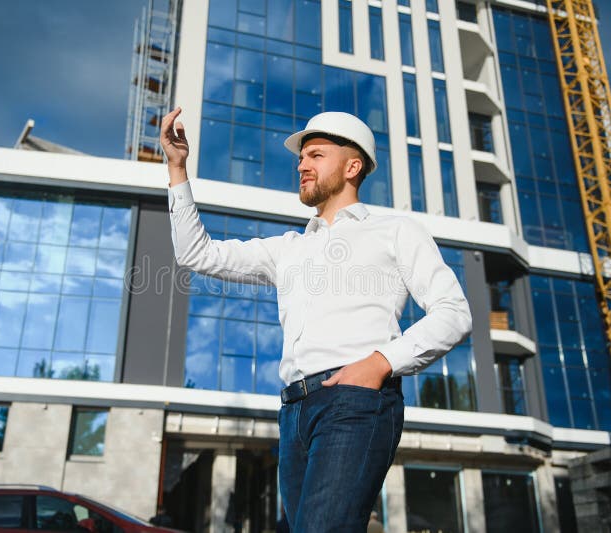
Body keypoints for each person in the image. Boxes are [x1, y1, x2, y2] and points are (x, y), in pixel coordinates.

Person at [160, 107, 472, 532]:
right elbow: (197, 254)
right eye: (301, 159)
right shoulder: (287, 248)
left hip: (357, 402)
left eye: (316, 156)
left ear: (353, 166)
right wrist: (177, 169)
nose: (302, 166)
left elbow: (453, 312)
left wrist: (380, 363)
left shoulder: (396, 231)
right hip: (293, 412)